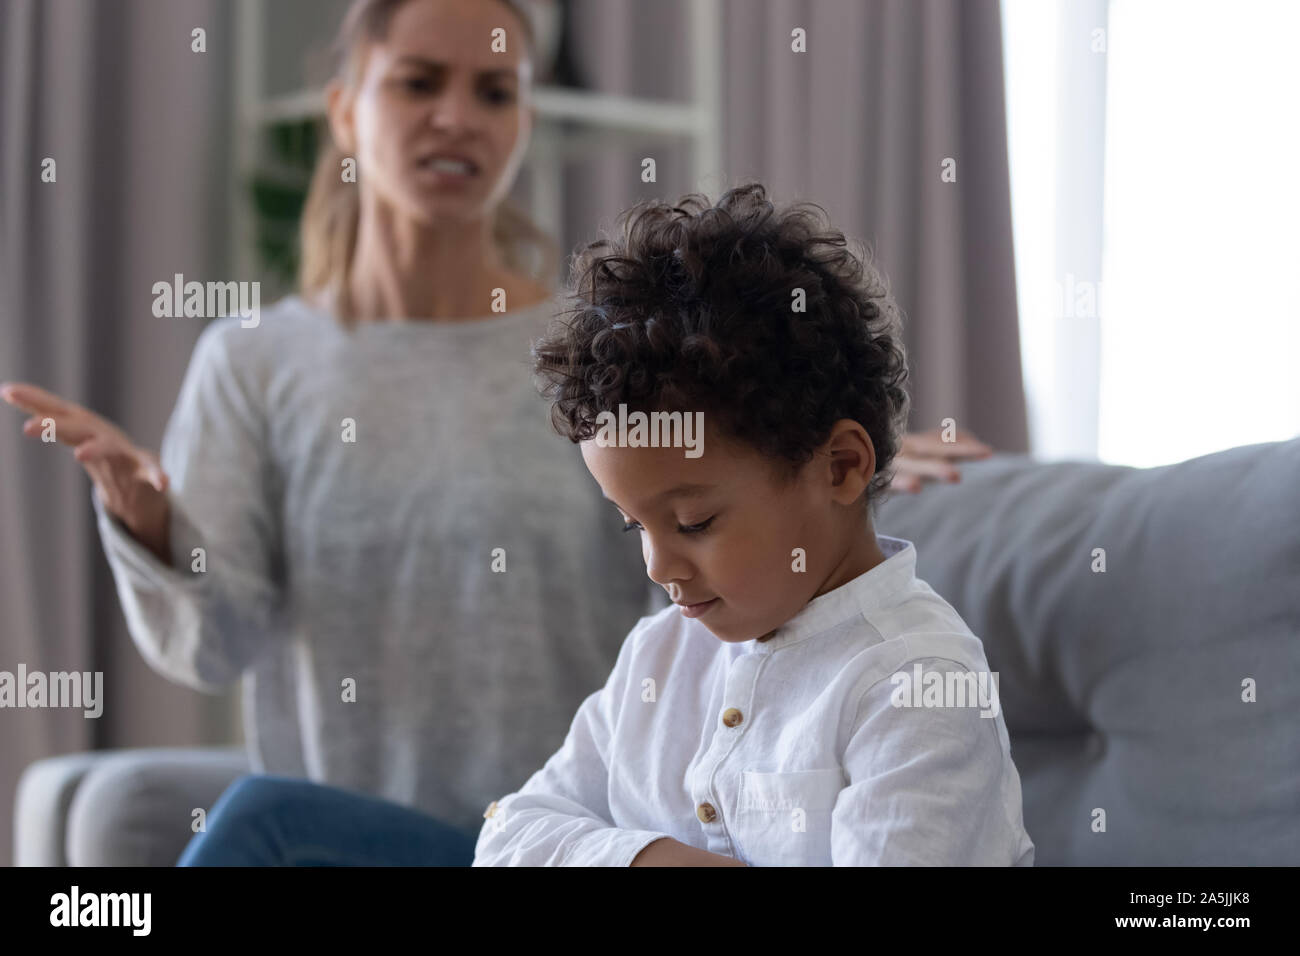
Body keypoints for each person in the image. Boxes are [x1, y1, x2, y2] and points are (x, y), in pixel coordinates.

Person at [1, 0, 991, 867]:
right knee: (260, 820)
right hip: (379, 834)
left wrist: (853, 464)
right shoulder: (256, 362)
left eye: (495, 90)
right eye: (420, 82)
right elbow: (214, 643)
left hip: (567, 819)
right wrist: (154, 529)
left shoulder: (612, 364)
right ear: (345, 107)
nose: (456, 117)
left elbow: (733, 557)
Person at [474, 183, 1034, 866]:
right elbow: (507, 835)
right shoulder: (660, 655)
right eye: (633, 526)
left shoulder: (915, 683)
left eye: (694, 520)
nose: (657, 567)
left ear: (839, 467)